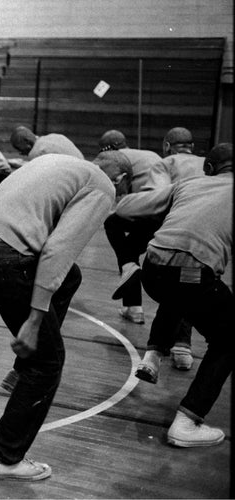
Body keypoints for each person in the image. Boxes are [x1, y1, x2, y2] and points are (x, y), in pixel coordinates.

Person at [0, 153, 114, 481]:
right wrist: (34, 319)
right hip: (2, 257)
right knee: (48, 363)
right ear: (123, 179)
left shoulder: (57, 165)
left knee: (71, 277)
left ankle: (23, 368)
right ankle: (3, 457)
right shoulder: (103, 187)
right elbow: (58, 248)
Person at [112, 143, 231, 447]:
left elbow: (124, 208)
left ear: (209, 169)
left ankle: (154, 354)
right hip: (194, 273)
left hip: (155, 267)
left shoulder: (190, 184)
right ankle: (187, 421)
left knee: (181, 290)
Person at [111, 127, 204, 369]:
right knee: (189, 281)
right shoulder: (208, 164)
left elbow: (159, 198)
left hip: (172, 228)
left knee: (118, 227)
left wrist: (127, 206)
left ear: (166, 146)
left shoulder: (167, 163)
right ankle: (183, 346)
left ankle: (130, 278)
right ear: (192, 147)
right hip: (205, 236)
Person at [97, 130, 163, 324]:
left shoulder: (117, 160)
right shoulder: (148, 155)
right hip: (169, 213)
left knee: (112, 223)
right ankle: (133, 308)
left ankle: (133, 305)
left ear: (108, 149)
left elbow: (121, 199)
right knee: (130, 249)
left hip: (151, 210)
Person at [10, 125, 84, 160]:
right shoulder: (56, 136)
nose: (22, 154)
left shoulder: (36, 152)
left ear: (27, 141)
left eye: (21, 150)